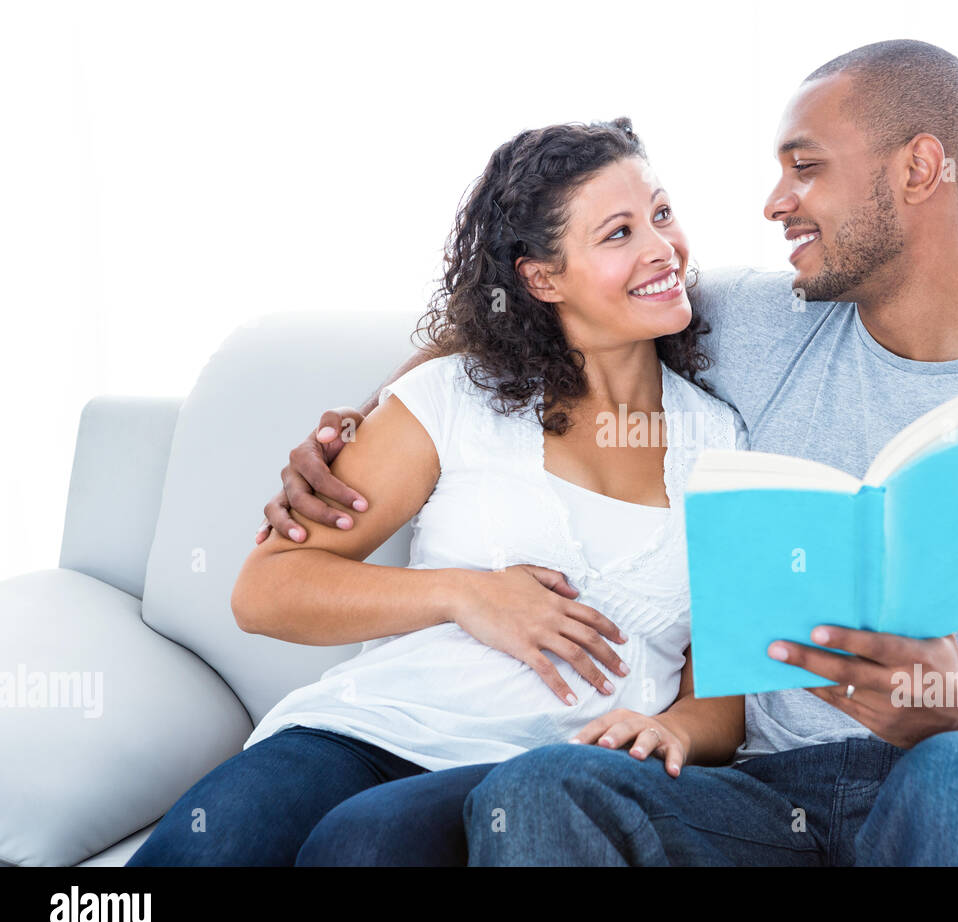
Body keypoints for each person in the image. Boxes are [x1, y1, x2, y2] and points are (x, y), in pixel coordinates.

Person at [260, 40, 958, 866]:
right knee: (554, 784)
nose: (774, 201)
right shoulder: (767, 319)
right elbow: (547, 308)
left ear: (919, 169)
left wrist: (955, 698)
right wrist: (366, 415)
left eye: (806, 168)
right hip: (761, 793)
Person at [126, 117, 747, 867]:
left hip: (544, 772)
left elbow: (720, 697)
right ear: (541, 278)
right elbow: (266, 590)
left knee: (364, 847)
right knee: (206, 847)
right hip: (366, 730)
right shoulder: (453, 398)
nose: (661, 248)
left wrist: (674, 730)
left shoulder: (720, 443)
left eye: (662, 213)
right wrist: (468, 595)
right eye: (618, 233)